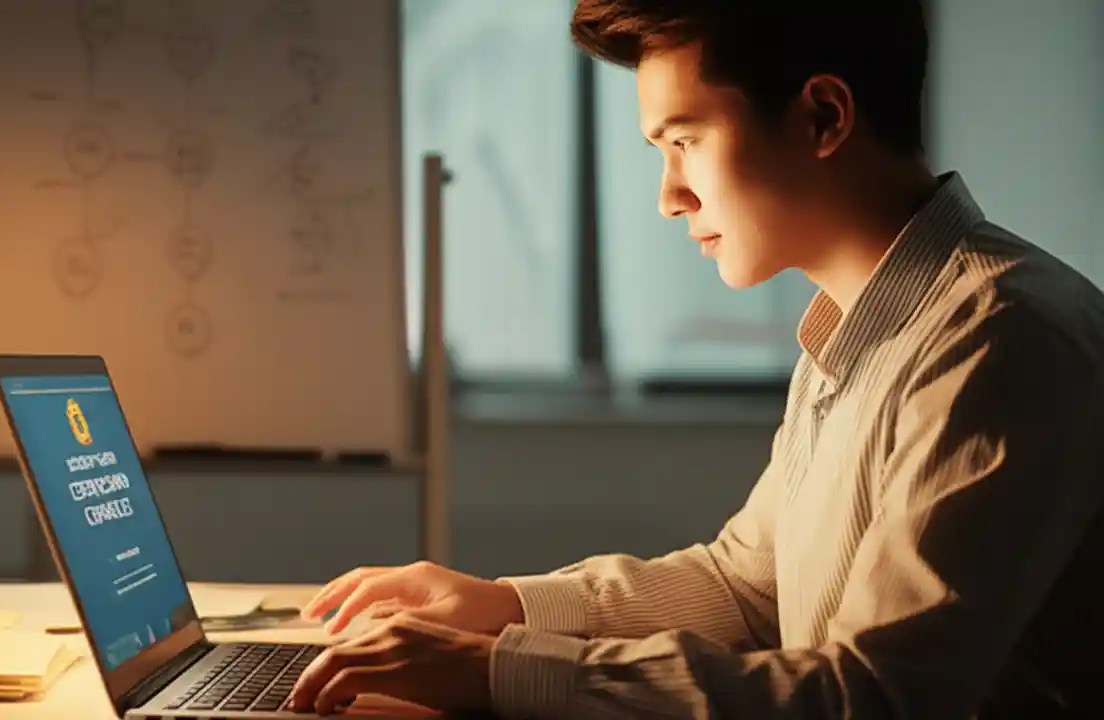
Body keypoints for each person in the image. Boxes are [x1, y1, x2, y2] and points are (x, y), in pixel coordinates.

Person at [289, 1, 1104, 717]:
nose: (668, 196)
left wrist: (499, 670)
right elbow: (745, 587)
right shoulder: (861, 329)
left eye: (685, 140)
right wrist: (503, 607)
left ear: (823, 118)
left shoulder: (999, 341)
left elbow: (871, 698)